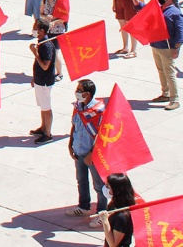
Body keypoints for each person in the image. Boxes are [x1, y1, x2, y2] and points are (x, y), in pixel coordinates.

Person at [66, 78, 107, 219]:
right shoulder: (77, 107)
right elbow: (74, 125)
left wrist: (92, 153)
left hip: (92, 155)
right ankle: (84, 206)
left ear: (88, 94)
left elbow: (102, 135)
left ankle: (101, 213)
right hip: (78, 151)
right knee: (81, 180)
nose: (76, 93)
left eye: (79, 91)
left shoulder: (98, 110)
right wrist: (70, 143)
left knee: (99, 185)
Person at [150, 0, 182, 110]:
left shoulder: (175, 12)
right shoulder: (158, 9)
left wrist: (176, 48)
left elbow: (180, 32)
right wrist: (138, 4)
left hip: (166, 48)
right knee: (161, 71)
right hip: (156, 45)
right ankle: (165, 93)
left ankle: (175, 99)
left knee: (169, 73)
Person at [30, 20, 57, 144]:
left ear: (42, 30)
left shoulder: (46, 45)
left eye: (35, 28)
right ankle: (43, 127)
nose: (33, 29)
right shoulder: (41, 43)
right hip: (39, 80)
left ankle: (48, 134)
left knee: (46, 108)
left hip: (45, 82)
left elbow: (45, 65)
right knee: (42, 106)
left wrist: (35, 53)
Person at [95, 172, 135, 245]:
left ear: (116, 190)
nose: (106, 189)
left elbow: (113, 244)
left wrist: (105, 221)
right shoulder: (115, 204)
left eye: (108, 186)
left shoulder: (122, 216)